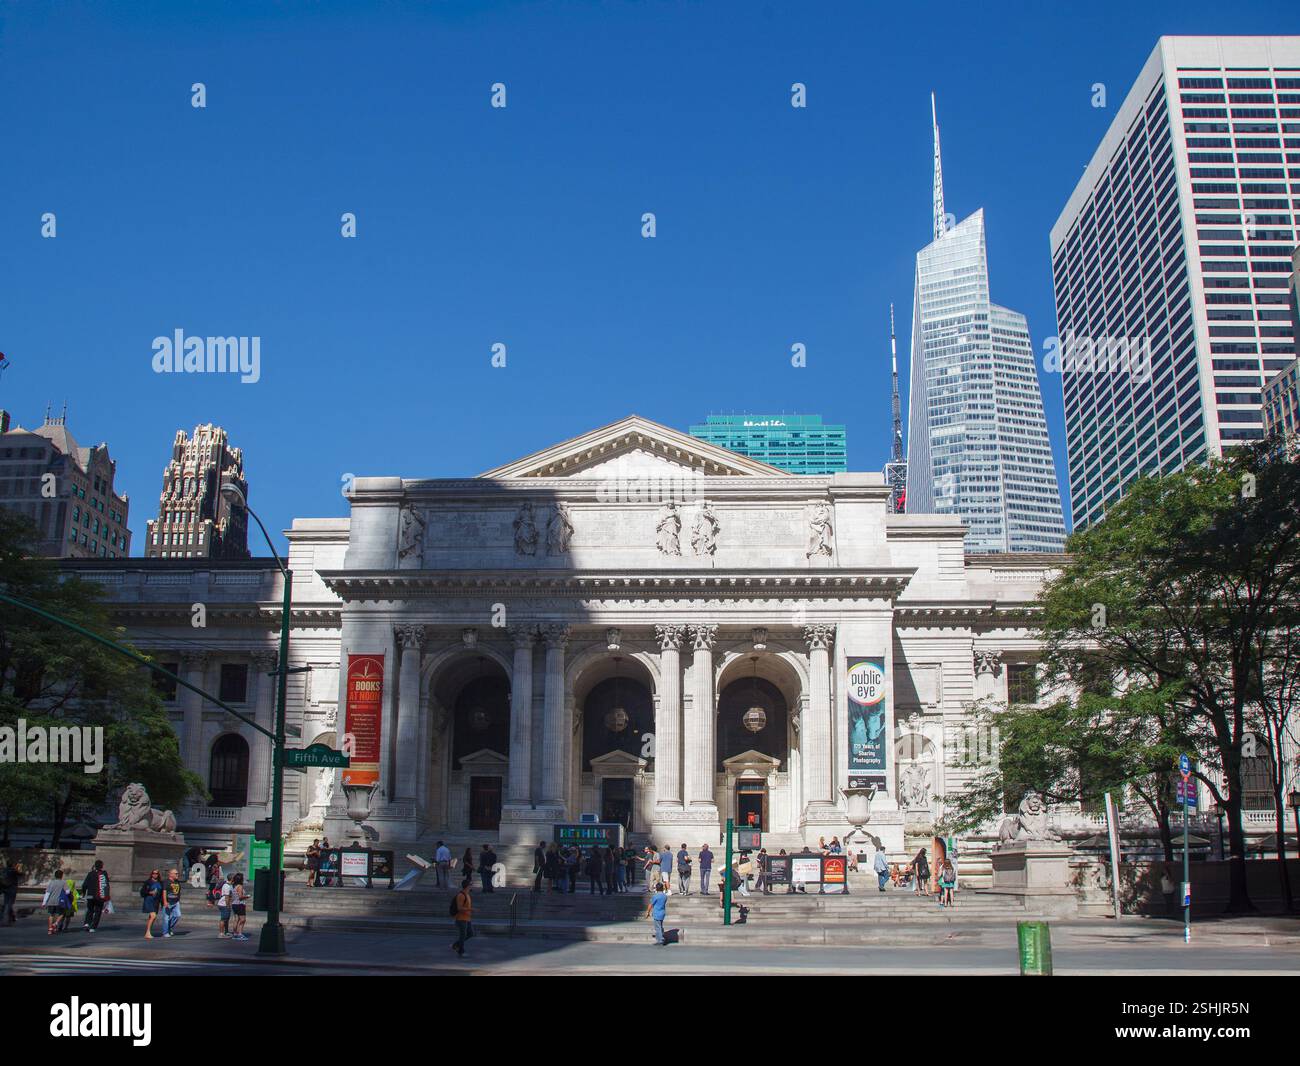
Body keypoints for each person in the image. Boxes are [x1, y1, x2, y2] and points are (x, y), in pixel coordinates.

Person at [81, 860, 110, 932]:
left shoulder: (90, 874)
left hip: (90, 895)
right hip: (100, 896)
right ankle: (93, 927)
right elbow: (106, 885)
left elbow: (84, 885)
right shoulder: (104, 874)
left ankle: (87, 923)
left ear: (95, 866)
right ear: (102, 866)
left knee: (90, 909)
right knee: (98, 911)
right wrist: (107, 896)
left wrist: (83, 893)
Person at [451, 879, 473, 957]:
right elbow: (459, 908)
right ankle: (461, 951)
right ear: (467, 886)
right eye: (471, 884)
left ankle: (455, 945)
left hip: (467, 918)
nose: (472, 886)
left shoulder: (467, 894)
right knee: (462, 935)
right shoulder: (461, 895)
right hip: (461, 919)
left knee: (470, 933)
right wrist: (470, 909)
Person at [141, 868, 164, 938]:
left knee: (152, 917)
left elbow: (161, 894)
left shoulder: (160, 883)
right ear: (151, 874)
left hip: (156, 902)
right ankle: (147, 933)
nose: (155, 875)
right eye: (153, 873)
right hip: (149, 900)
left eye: (156, 873)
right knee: (153, 916)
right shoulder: (148, 882)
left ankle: (148, 931)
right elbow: (142, 892)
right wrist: (150, 892)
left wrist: (162, 903)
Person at [42, 868, 66, 936]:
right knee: (61, 914)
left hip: (51, 901)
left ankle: (50, 929)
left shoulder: (51, 882)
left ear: (55, 876)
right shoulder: (63, 882)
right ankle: (55, 924)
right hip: (59, 901)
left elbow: (47, 893)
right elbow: (67, 891)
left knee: (51, 915)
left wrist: (44, 902)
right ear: (62, 876)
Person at [644, 881, 668, 946]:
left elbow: (650, 905)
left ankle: (661, 940)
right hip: (662, 912)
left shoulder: (656, 896)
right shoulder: (664, 896)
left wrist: (647, 912)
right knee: (660, 925)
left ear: (656, 889)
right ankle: (661, 936)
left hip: (657, 913)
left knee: (657, 927)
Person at [162, 868, 182, 937]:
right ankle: (165, 932)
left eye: (177, 873)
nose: (177, 875)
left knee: (177, 915)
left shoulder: (177, 882)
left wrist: (178, 899)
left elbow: (178, 891)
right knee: (166, 918)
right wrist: (165, 901)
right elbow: (164, 892)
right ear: (171, 874)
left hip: (176, 902)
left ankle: (169, 928)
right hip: (168, 902)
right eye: (176, 873)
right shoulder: (166, 882)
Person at [230, 873, 249, 940]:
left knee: (237, 919)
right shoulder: (240, 886)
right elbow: (240, 897)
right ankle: (239, 934)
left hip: (234, 904)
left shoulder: (234, 886)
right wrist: (247, 896)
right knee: (243, 920)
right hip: (239, 904)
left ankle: (235, 933)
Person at [0, 860, 20, 925]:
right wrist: (18, 867)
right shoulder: (13, 871)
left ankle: (11, 918)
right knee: (8, 905)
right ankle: (5, 921)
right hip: (12, 889)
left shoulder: (4, 870)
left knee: (7, 903)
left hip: (5, 889)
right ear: (12, 865)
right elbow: (21, 874)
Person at [216, 872, 234, 938]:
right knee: (223, 919)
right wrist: (228, 906)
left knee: (226, 919)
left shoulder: (230, 885)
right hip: (224, 904)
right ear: (232, 879)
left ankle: (226, 932)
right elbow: (226, 897)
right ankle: (221, 933)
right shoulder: (226, 886)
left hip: (225, 904)